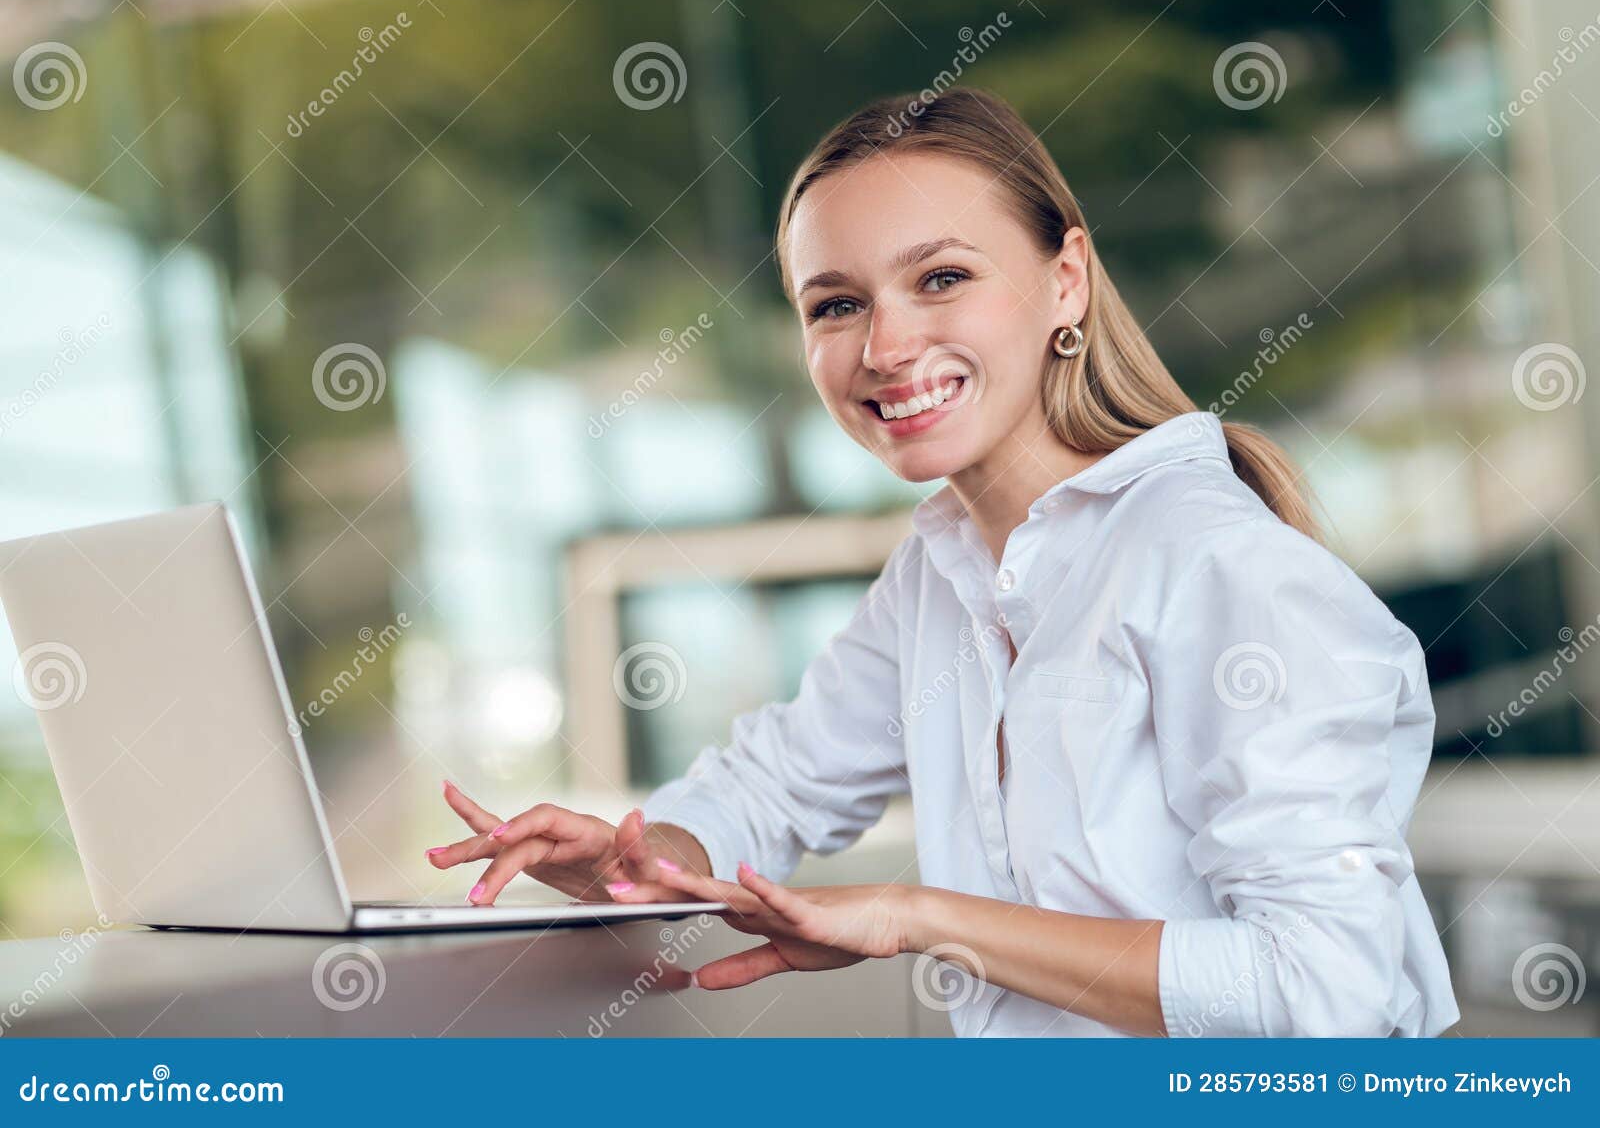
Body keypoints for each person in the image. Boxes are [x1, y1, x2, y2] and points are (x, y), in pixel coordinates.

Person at [426, 87, 1459, 1038]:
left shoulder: (1218, 565)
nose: (884, 345)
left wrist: (918, 916)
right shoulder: (941, 575)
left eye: (941, 278)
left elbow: (1326, 988)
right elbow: (771, 786)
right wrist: (638, 861)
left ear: (1066, 280)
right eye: (835, 304)